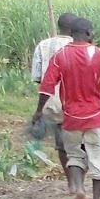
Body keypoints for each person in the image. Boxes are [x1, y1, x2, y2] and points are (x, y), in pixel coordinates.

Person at [34, 17, 100, 199]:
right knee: (99, 157)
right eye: (92, 32)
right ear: (87, 33)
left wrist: (39, 110)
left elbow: (47, 86)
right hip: (96, 117)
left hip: (71, 117)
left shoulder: (60, 56)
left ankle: (78, 188)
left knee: (75, 155)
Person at [29, 12, 77, 189]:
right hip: (78, 102)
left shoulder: (43, 45)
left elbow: (38, 77)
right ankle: (80, 179)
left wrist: (39, 109)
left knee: (61, 145)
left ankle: (71, 181)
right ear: (74, 29)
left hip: (52, 102)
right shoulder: (79, 46)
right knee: (82, 143)